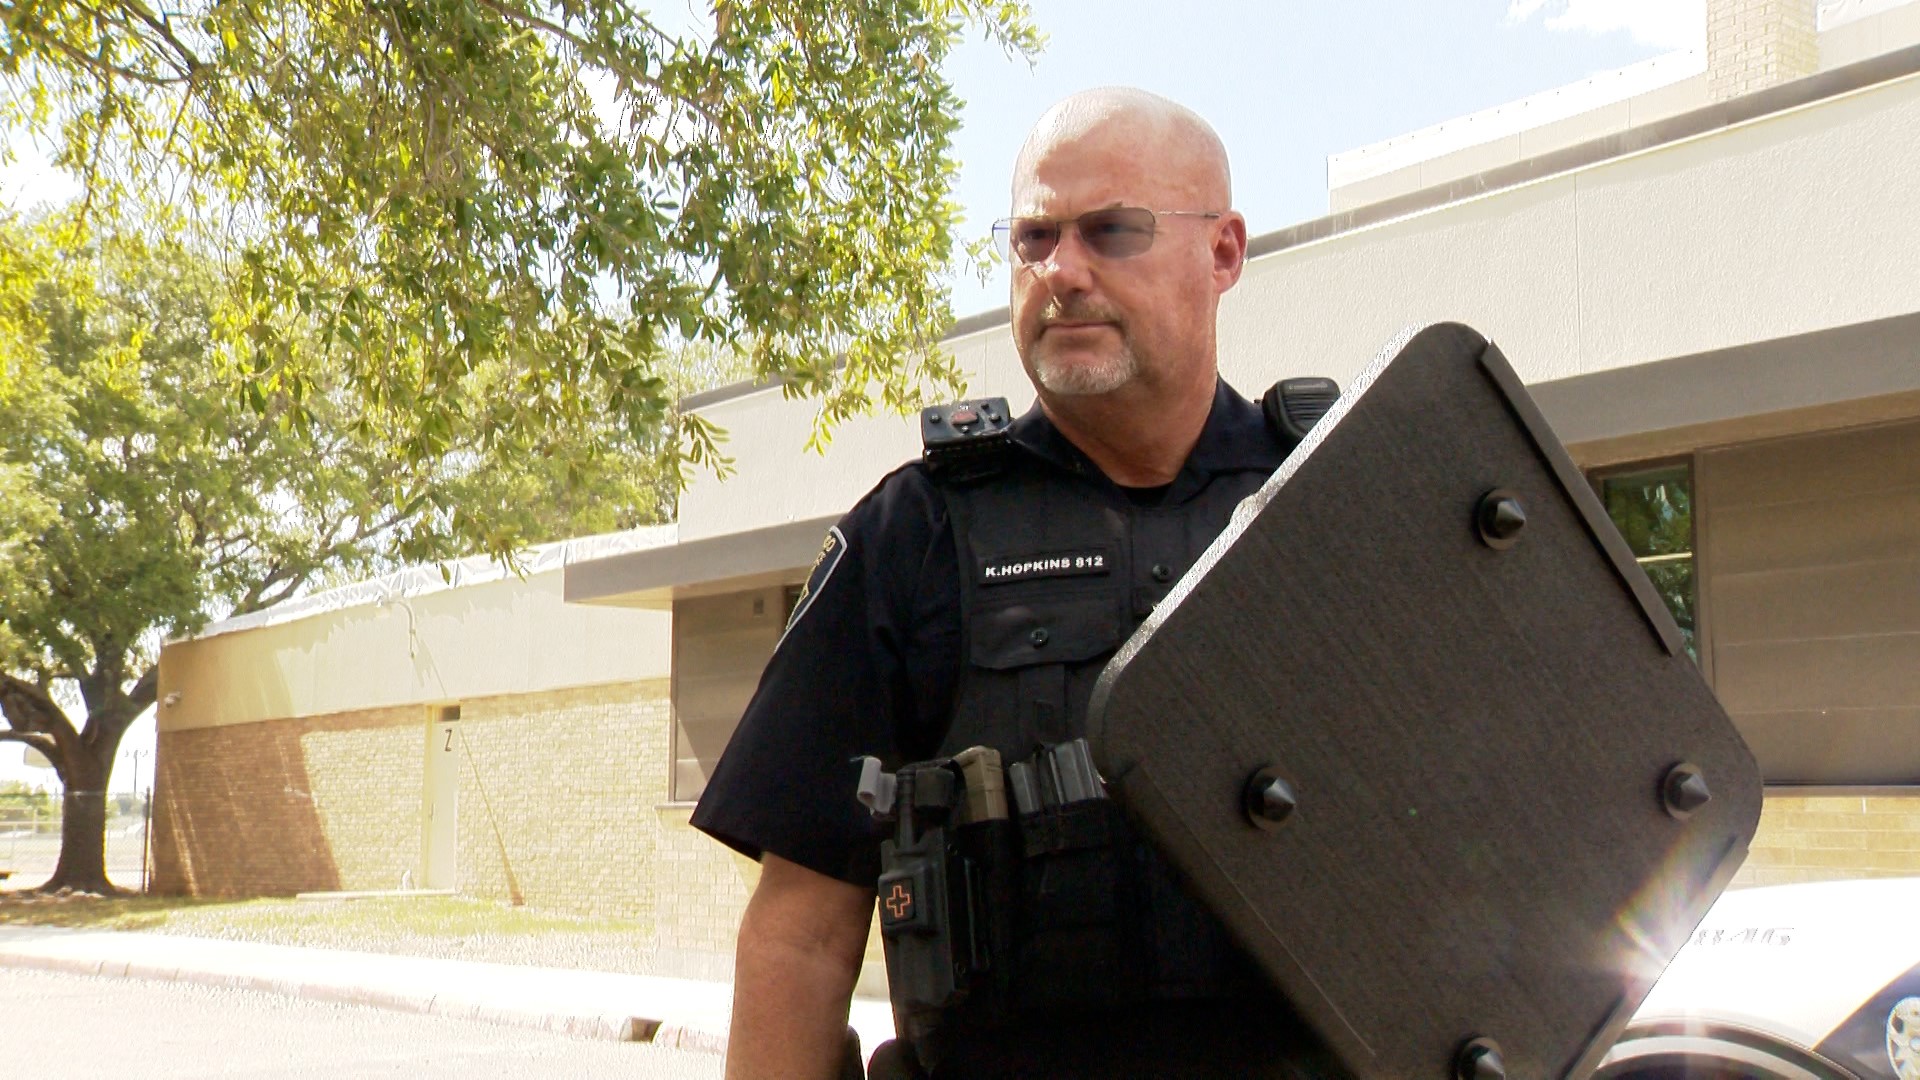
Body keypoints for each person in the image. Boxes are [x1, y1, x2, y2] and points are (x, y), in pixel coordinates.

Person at [691, 87, 1333, 1079]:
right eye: (1035, 237)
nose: (1061, 271)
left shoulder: (1336, 502)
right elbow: (800, 938)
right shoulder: (914, 536)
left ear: (1223, 252)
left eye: (1111, 231)